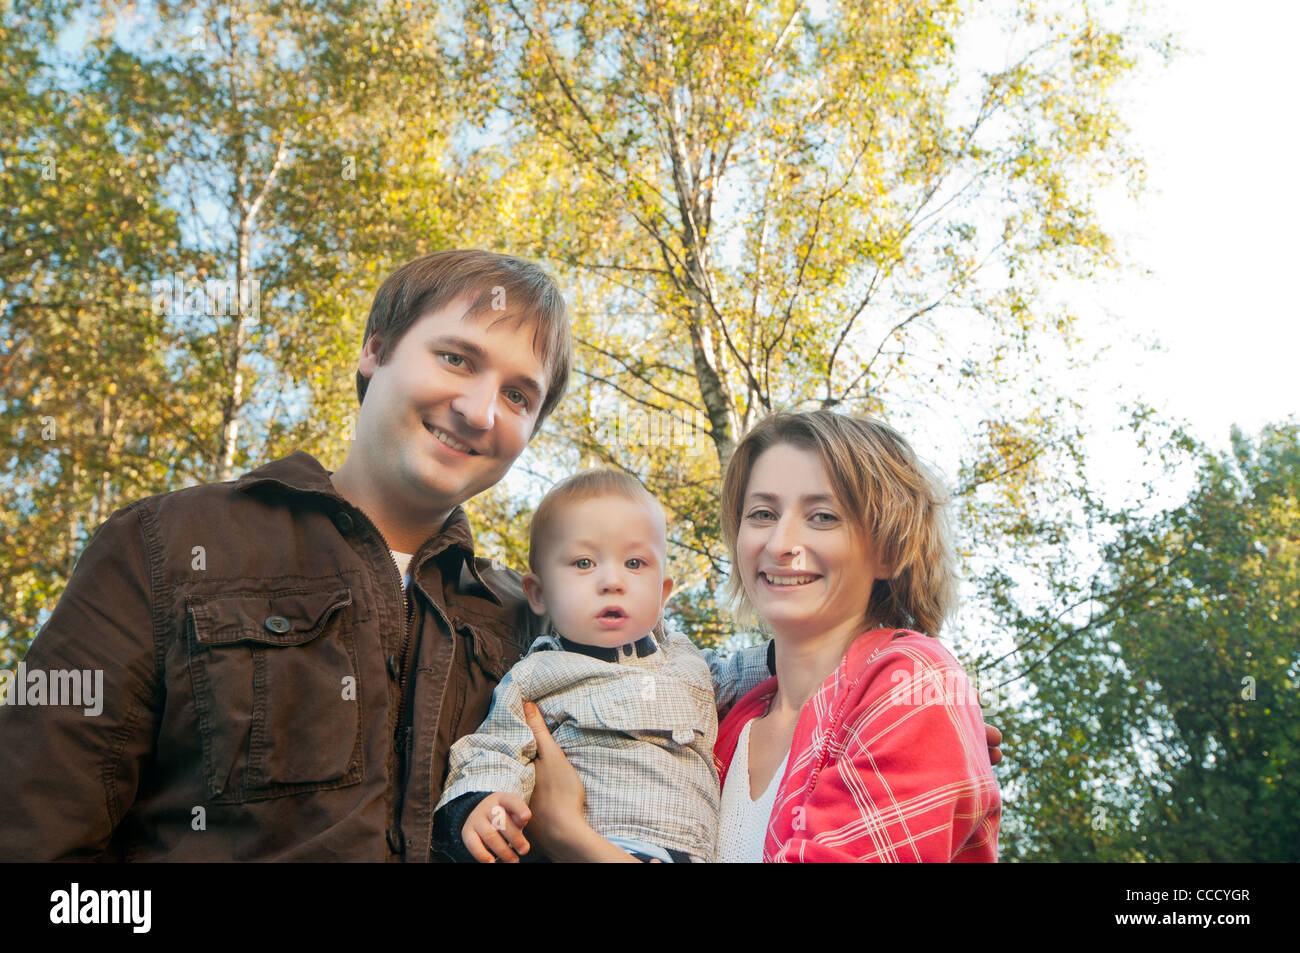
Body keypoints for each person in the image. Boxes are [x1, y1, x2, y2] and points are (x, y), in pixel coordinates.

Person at [0, 249, 773, 862]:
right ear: (375, 351)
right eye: (457, 358)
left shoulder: (525, 620)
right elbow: (33, 834)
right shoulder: (169, 544)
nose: (477, 410)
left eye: (518, 395)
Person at [518, 410, 1002, 862]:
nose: (780, 544)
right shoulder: (721, 715)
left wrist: (569, 836)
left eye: (823, 516)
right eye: (762, 514)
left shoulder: (914, 682)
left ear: (888, 552)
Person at [432, 469, 758, 863]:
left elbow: (743, 673)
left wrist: (788, 652)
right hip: (592, 844)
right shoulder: (537, 674)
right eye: (584, 562)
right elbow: (496, 749)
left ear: (662, 594)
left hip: (689, 850)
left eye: (635, 563)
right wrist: (485, 804)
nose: (612, 581)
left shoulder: (686, 662)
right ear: (539, 593)